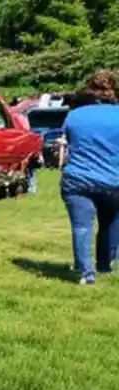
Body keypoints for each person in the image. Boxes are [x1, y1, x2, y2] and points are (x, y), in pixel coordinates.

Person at [59, 70, 119, 284]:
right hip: (114, 181)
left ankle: (85, 273)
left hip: (78, 178)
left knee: (82, 225)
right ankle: (105, 264)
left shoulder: (75, 115)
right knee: (111, 222)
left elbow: (69, 142)